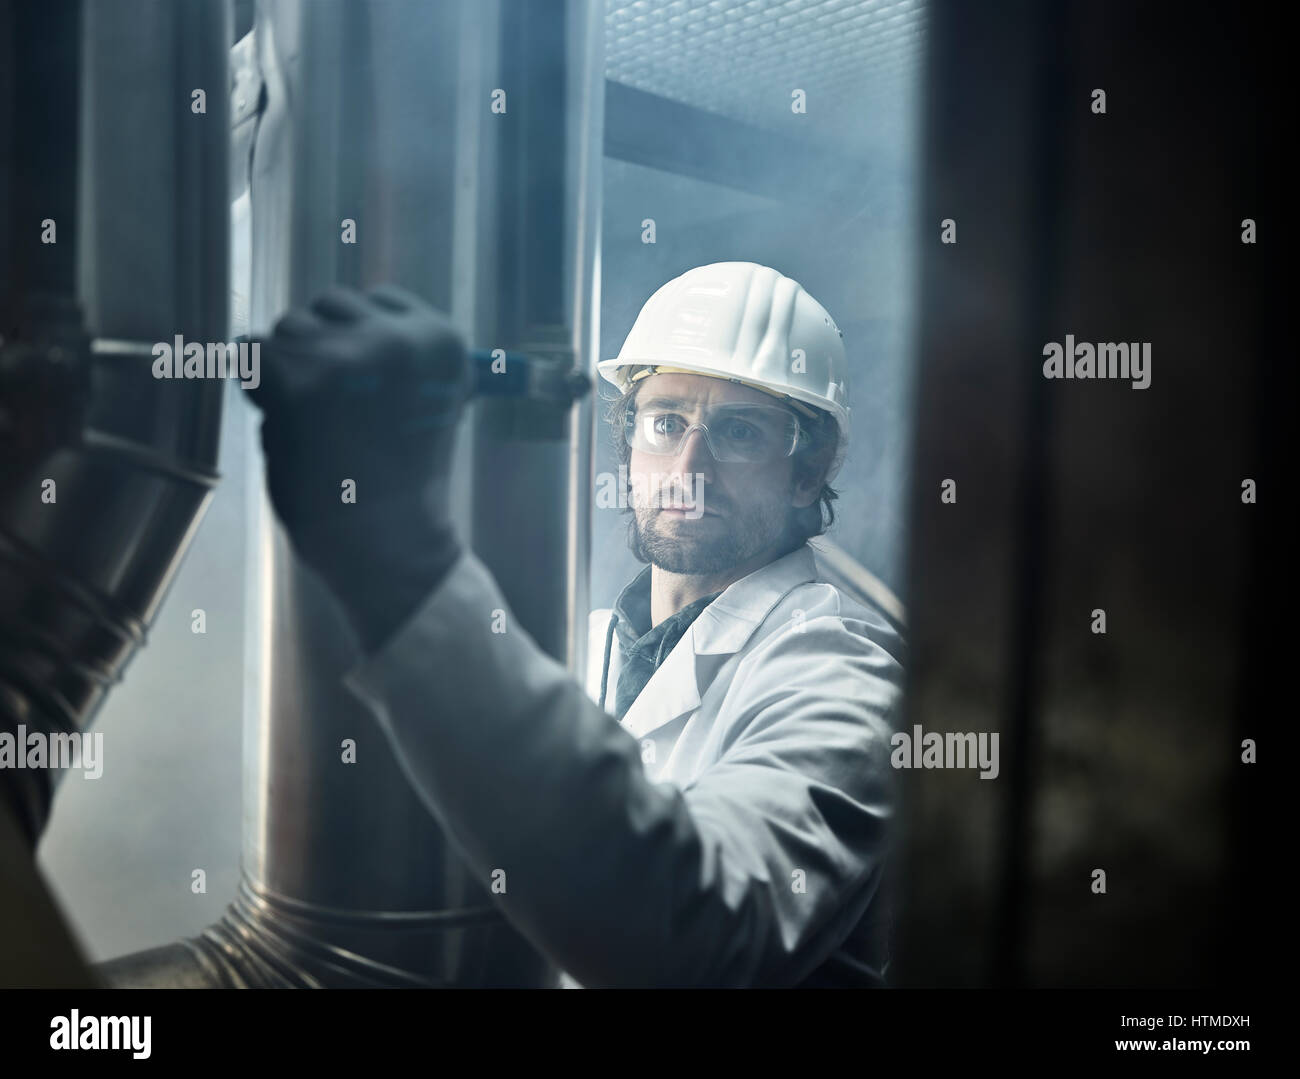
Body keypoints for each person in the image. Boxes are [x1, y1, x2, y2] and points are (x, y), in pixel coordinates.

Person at [248, 261, 906, 988]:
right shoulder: (581, 640)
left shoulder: (846, 672)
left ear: (807, 472)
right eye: (665, 422)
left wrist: (406, 564)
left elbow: (701, 938)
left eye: (740, 430)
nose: (689, 465)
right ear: (626, 442)